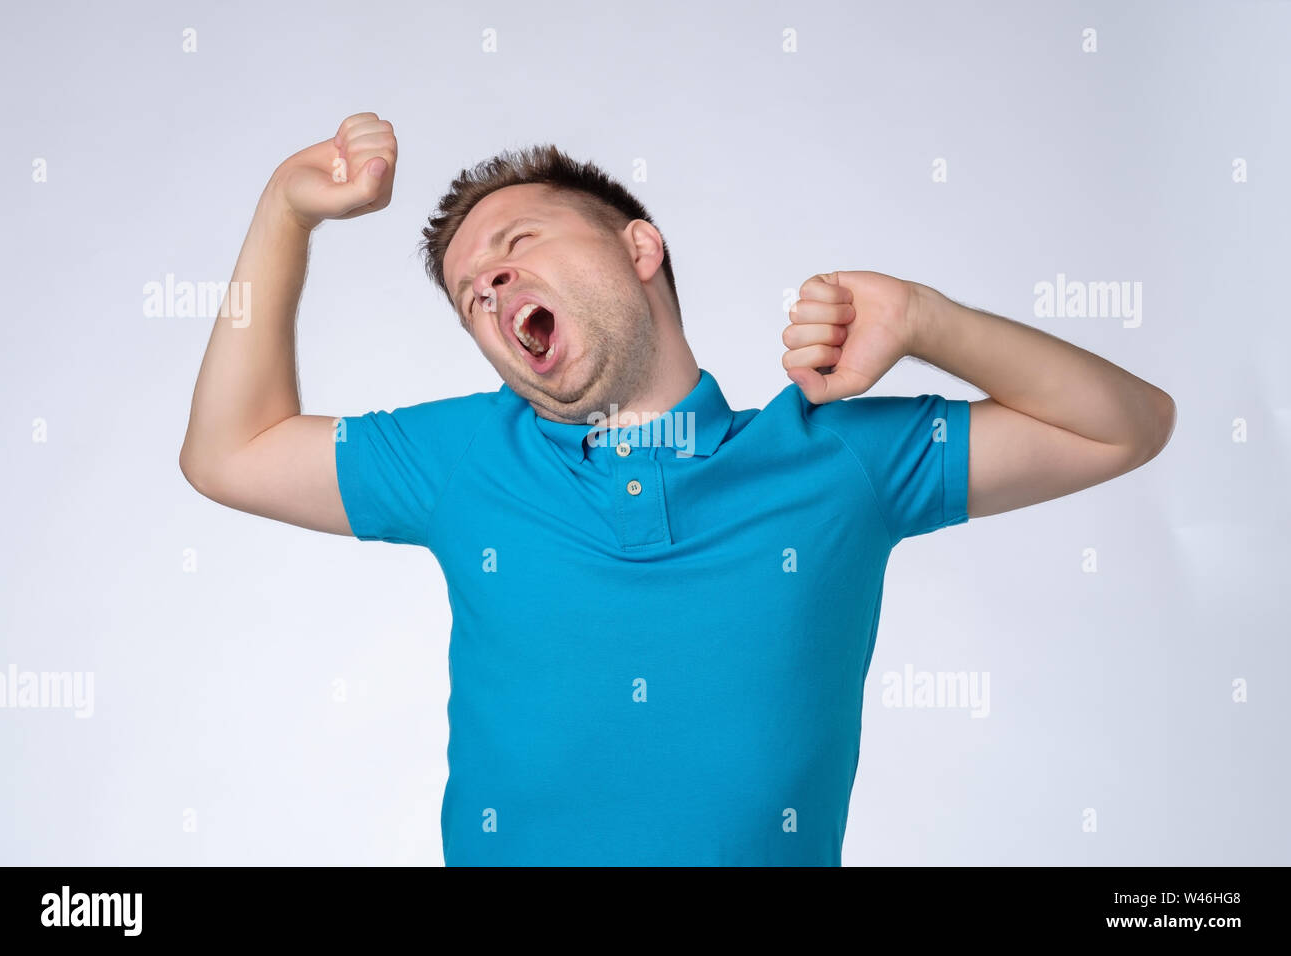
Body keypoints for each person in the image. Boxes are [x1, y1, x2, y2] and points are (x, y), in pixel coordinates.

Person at [179, 112, 1176, 866]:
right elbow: (232, 450)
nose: (485, 286)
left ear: (638, 248)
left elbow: (1123, 423)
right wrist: (285, 208)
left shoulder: (835, 461)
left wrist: (925, 320)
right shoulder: (466, 460)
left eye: (514, 245)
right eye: (466, 293)